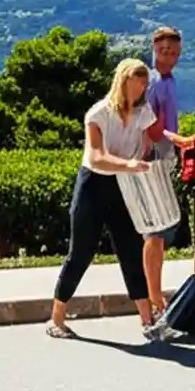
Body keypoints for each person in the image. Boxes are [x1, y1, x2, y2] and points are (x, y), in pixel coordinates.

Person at [48, 57, 163, 341]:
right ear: (124, 81)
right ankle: (56, 319)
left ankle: (148, 321)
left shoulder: (143, 112)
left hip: (124, 186)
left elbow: (150, 140)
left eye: (146, 84)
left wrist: (147, 158)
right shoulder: (98, 113)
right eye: (140, 83)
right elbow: (97, 157)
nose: (144, 89)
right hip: (93, 186)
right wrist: (129, 165)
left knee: (130, 251)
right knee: (81, 253)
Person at [141, 26, 194, 318]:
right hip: (152, 161)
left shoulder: (168, 81)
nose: (169, 56)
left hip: (165, 160)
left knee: (160, 233)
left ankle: (154, 294)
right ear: (154, 50)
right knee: (156, 233)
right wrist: (179, 141)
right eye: (164, 51)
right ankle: (154, 298)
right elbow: (151, 127)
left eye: (174, 52)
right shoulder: (152, 83)